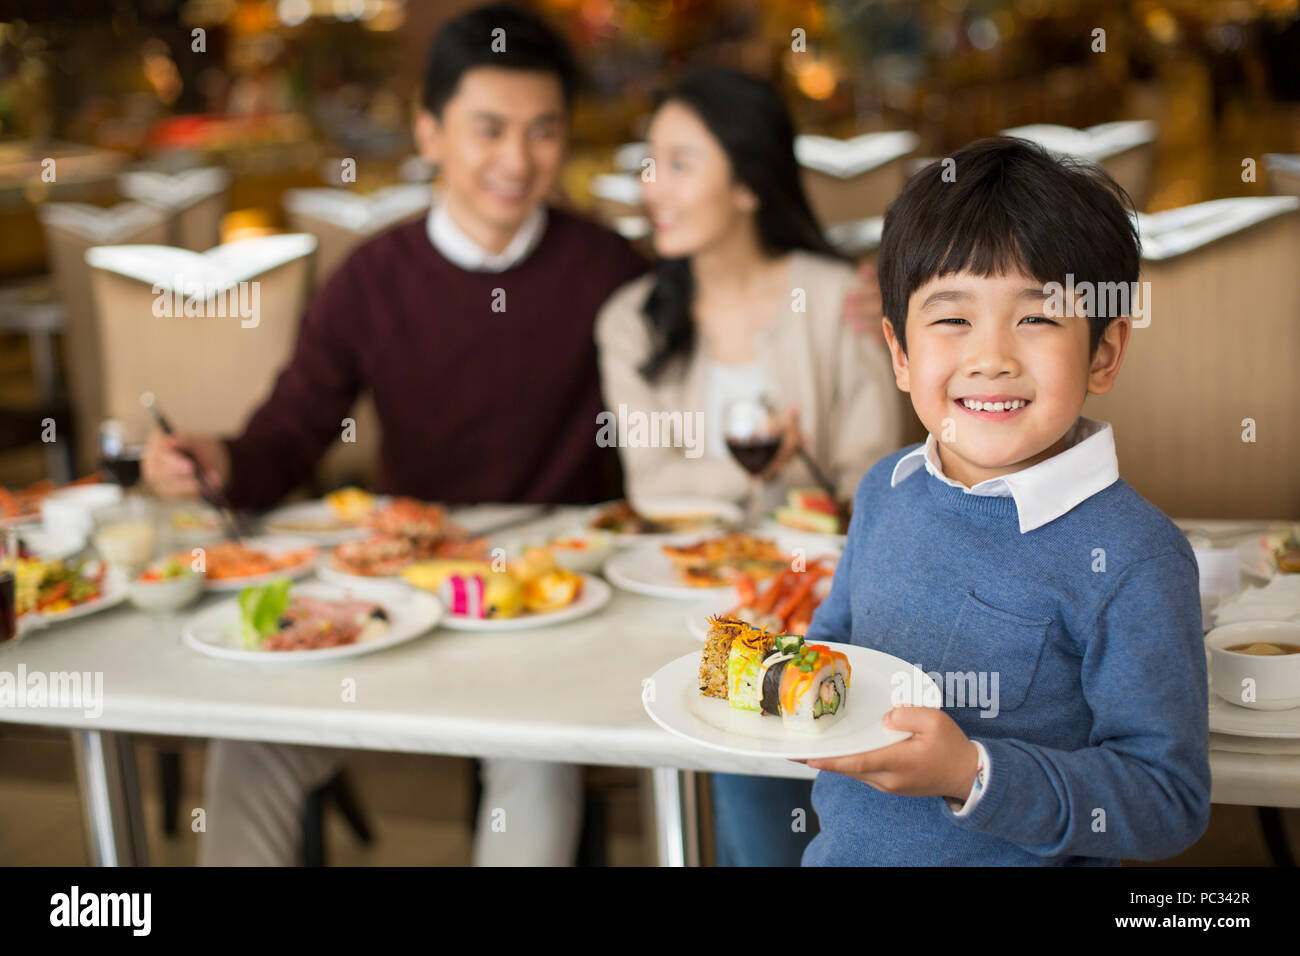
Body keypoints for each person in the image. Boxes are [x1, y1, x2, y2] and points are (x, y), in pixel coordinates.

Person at [143, 3, 646, 866]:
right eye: (489, 129)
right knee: (246, 749)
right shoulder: (372, 277)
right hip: (396, 598)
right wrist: (219, 459)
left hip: (541, 612)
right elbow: (288, 436)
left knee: (536, 773)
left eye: (543, 131)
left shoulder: (610, 270)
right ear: (430, 132)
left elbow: (706, 371)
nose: (517, 160)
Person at [800, 137, 1211, 865]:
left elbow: (1167, 799)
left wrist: (972, 774)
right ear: (900, 353)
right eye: (952, 319)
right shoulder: (883, 492)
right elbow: (831, 648)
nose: (991, 356)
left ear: (1105, 352)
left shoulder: (1133, 555)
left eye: (1038, 318)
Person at [594, 68, 902, 866]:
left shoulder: (839, 299)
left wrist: (794, 474)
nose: (651, 187)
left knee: (766, 737)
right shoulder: (631, 321)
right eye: (648, 162)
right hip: (671, 602)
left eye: (680, 162)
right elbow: (652, 487)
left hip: (814, 601)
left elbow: (871, 481)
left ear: (748, 182)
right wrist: (779, 479)